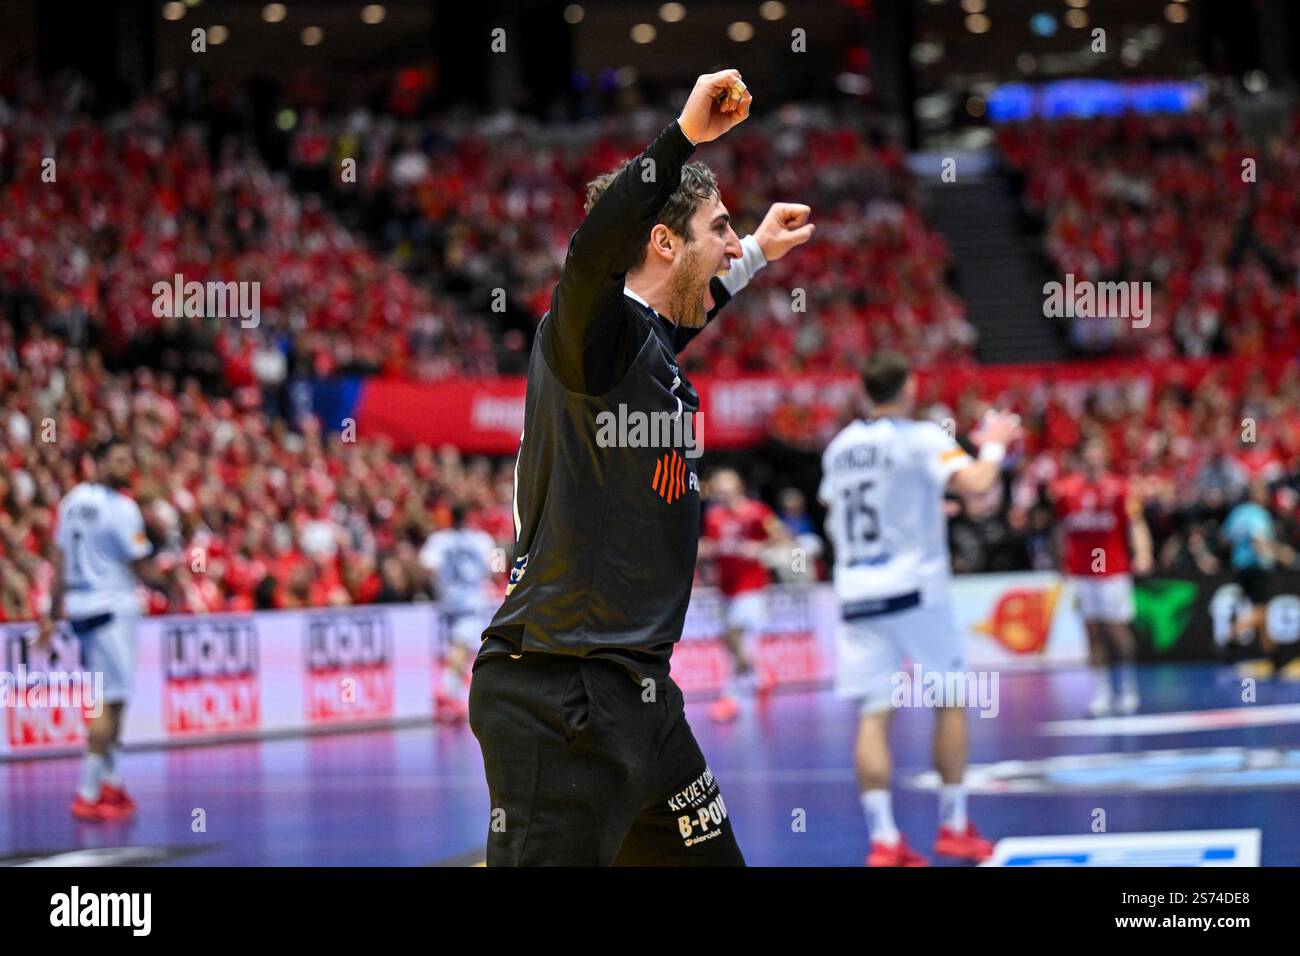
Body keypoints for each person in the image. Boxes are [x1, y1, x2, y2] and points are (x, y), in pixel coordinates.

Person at [468, 69, 814, 865]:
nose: (730, 242)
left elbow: (686, 315)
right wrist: (683, 136)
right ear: (662, 241)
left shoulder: (644, 350)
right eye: (720, 228)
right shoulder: (594, 334)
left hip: (642, 699)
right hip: (561, 695)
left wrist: (757, 252)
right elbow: (592, 252)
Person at [819, 351, 1021, 866]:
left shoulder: (839, 448)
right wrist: (993, 448)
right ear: (908, 389)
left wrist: (923, 504)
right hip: (915, 590)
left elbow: (840, 507)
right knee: (949, 697)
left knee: (872, 713)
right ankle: (953, 825)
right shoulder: (923, 436)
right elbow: (978, 483)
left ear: (865, 392)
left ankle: (884, 839)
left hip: (857, 593)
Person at [33, 437, 159, 822]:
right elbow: (140, 565)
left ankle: (112, 783)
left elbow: (59, 558)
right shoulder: (122, 508)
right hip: (112, 609)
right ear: (98, 463)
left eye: (128, 459)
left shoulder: (70, 502)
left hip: (82, 609)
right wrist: (170, 584)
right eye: (119, 460)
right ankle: (88, 790)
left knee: (112, 696)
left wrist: (53, 612)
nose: (126, 467)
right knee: (109, 701)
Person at [1051, 438, 1153, 718]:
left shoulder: (1120, 488)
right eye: (1089, 456)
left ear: (1105, 457)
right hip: (1083, 573)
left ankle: (1128, 688)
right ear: (1082, 459)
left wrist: (1143, 552)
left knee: (1118, 632)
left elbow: (1136, 522)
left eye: (1099, 454)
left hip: (1113, 572)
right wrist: (1061, 560)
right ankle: (1102, 693)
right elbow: (1061, 528)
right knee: (1092, 631)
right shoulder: (1068, 491)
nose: (1094, 460)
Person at [699, 468, 789, 722]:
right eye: (718, 487)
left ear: (738, 487)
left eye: (726, 486)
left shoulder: (758, 511)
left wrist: (760, 548)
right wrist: (703, 550)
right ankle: (760, 676)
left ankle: (731, 697)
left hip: (752, 586)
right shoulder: (714, 516)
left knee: (735, 636)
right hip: (725, 587)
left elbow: (782, 537)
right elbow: (712, 544)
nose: (721, 492)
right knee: (731, 642)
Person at [421, 504, 499, 723]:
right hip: (472, 602)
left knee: (463, 648)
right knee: (461, 646)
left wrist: (441, 584)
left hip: (448, 601)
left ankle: (454, 695)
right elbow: (497, 567)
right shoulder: (482, 539)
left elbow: (428, 567)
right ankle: (447, 692)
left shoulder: (439, 540)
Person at [1220, 481, 1279, 667]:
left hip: (1240, 567)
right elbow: (1258, 539)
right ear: (1255, 495)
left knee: (1263, 610)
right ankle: (1232, 636)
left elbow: (1225, 539)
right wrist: (1269, 558)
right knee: (1261, 610)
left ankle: (1272, 655)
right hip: (1256, 566)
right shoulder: (1258, 514)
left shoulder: (1237, 513)